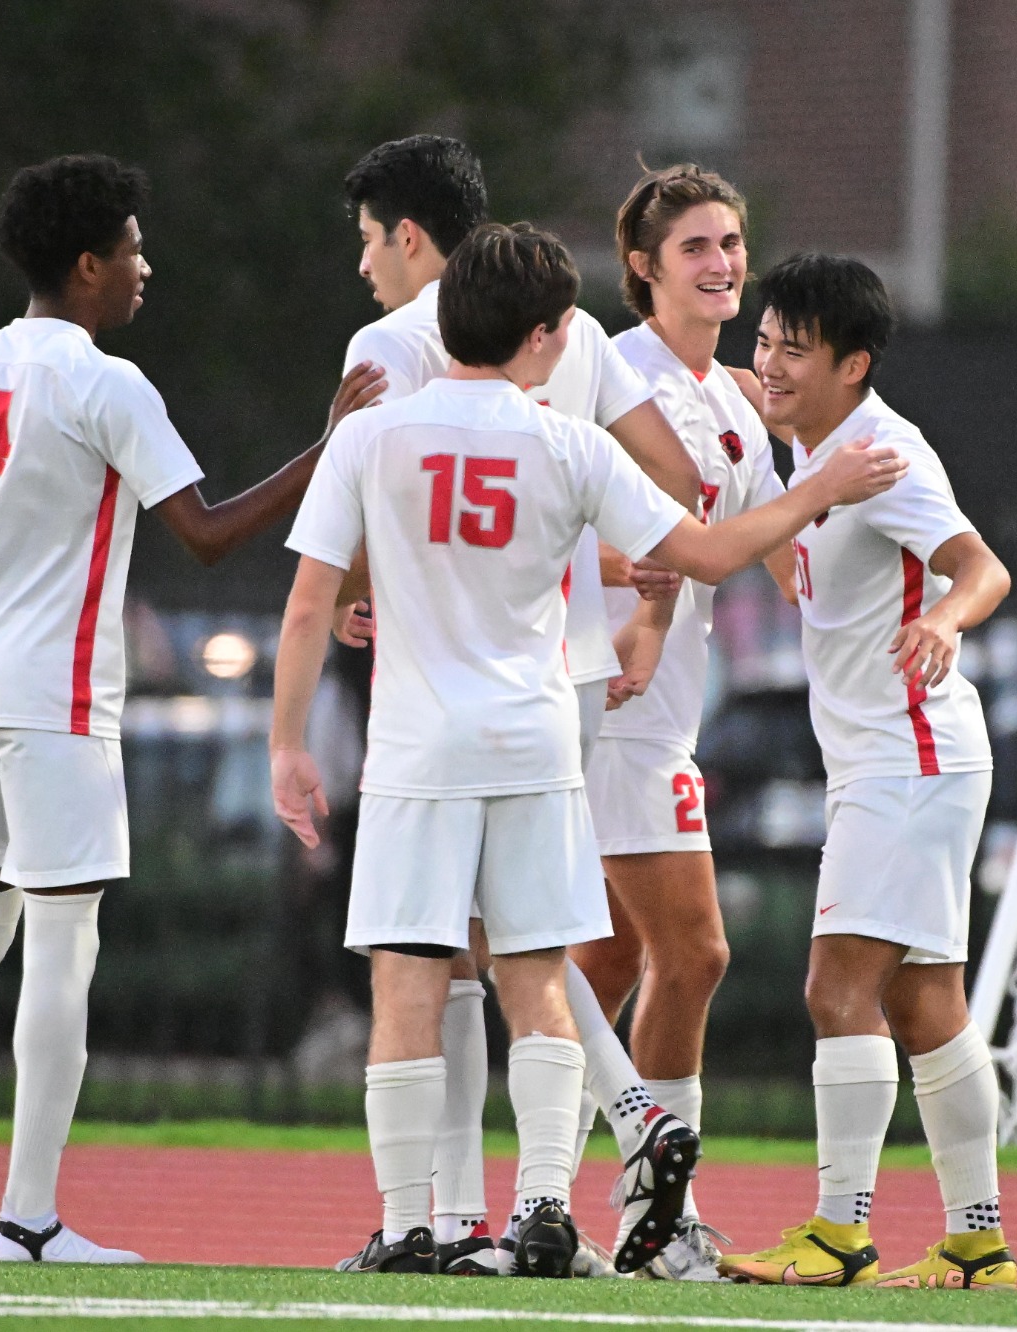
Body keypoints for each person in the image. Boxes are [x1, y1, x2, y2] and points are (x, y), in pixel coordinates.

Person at [270, 222, 906, 1279]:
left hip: (417, 752)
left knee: (407, 982)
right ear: (544, 334)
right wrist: (814, 493)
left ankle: (408, 1225)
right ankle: (541, 1210)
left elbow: (308, 605)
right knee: (535, 979)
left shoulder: (372, 436)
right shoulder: (567, 444)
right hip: (533, 743)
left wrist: (289, 743)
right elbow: (703, 551)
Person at [0, 153, 381, 1264]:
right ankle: (26, 1218)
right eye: (134, 249)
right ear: (88, 264)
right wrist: (330, 446)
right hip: (51, 697)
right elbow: (206, 534)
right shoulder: (107, 384)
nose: (147, 267)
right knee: (64, 940)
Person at [333, 136, 710, 1276]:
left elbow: (370, 516)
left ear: (411, 236)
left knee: (442, 951)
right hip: (562, 677)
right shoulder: (576, 329)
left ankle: (454, 1212)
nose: (365, 266)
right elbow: (675, 484)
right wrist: (624, 593)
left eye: (368, 240)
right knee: (516, 938)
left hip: (444, 683)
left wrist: (359, 588)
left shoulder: (391, 347)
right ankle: (539, 1183)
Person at [717, 255, 1017, 1291]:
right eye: (764, 341)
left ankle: (839, 1233)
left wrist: (944, 617)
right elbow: (804, 581)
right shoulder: (810, 455)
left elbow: (982, 568)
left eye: (793, 349)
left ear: (854, 364)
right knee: (926, 1005)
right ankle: (977, 1245)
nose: (769, 363)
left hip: (910, 757)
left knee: (835, 986)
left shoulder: (884, 455)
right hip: (893, 760)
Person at [570, 163, 785, 1281]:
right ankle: (661, 1225)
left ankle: (530, 1207)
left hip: (666, 709)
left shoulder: (735, 400)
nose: (721, 263)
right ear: (643, 268)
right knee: (694, 952)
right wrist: (642, 609)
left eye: (731, 242)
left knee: (606, 960)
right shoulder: (615, 375)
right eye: (695, 246)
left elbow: (768, 552)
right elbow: (603, 528)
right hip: (615, 705)